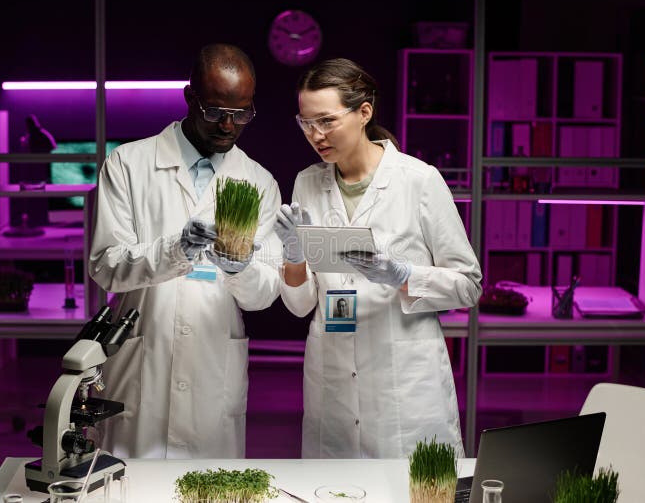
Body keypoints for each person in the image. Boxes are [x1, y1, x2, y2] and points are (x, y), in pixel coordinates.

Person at [274, 58, 481, 459]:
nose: (316, 135)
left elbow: (469, 286)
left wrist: (402, 275)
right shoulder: (307, 183)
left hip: (403, 384)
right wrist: (295, 257)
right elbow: (300, 305)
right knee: (332, 486)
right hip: (333, 381)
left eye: (327, 121)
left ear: (364, 112)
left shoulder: (418, 180)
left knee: (410, 485)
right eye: (306, 123)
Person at [89, 43, 282, 459]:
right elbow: (105, 266)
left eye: (241, 114)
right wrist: (175, 250)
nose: (228, 126)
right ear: (190, 97)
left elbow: (264, 294)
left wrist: (241, 267)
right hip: (143, 365)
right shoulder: (128, 164)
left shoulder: (259, 181)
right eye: (215, 111)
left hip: (214, 369)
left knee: (210, 484)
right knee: (132, 480)